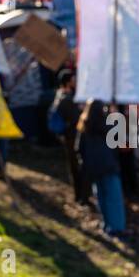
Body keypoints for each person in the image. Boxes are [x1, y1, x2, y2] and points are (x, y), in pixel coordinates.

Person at [76, 100, 126, 236]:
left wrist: (85, 162)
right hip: (109, 166)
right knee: (113, 198)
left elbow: (79, 148)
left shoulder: (84, 127)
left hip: (93, 167)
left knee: (101, 196)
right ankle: (116, 227)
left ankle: (106, 224)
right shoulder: (108, 125)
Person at [50, 70, 88, 204]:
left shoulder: (59, 96)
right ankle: (82, 195)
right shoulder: (67, 99)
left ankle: (80, 194)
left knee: (74, 166)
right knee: (78, 166)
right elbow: (75, 119)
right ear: (68, 82)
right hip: (72, 137)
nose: (76, 81)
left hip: (68, 136)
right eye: (73, 79)